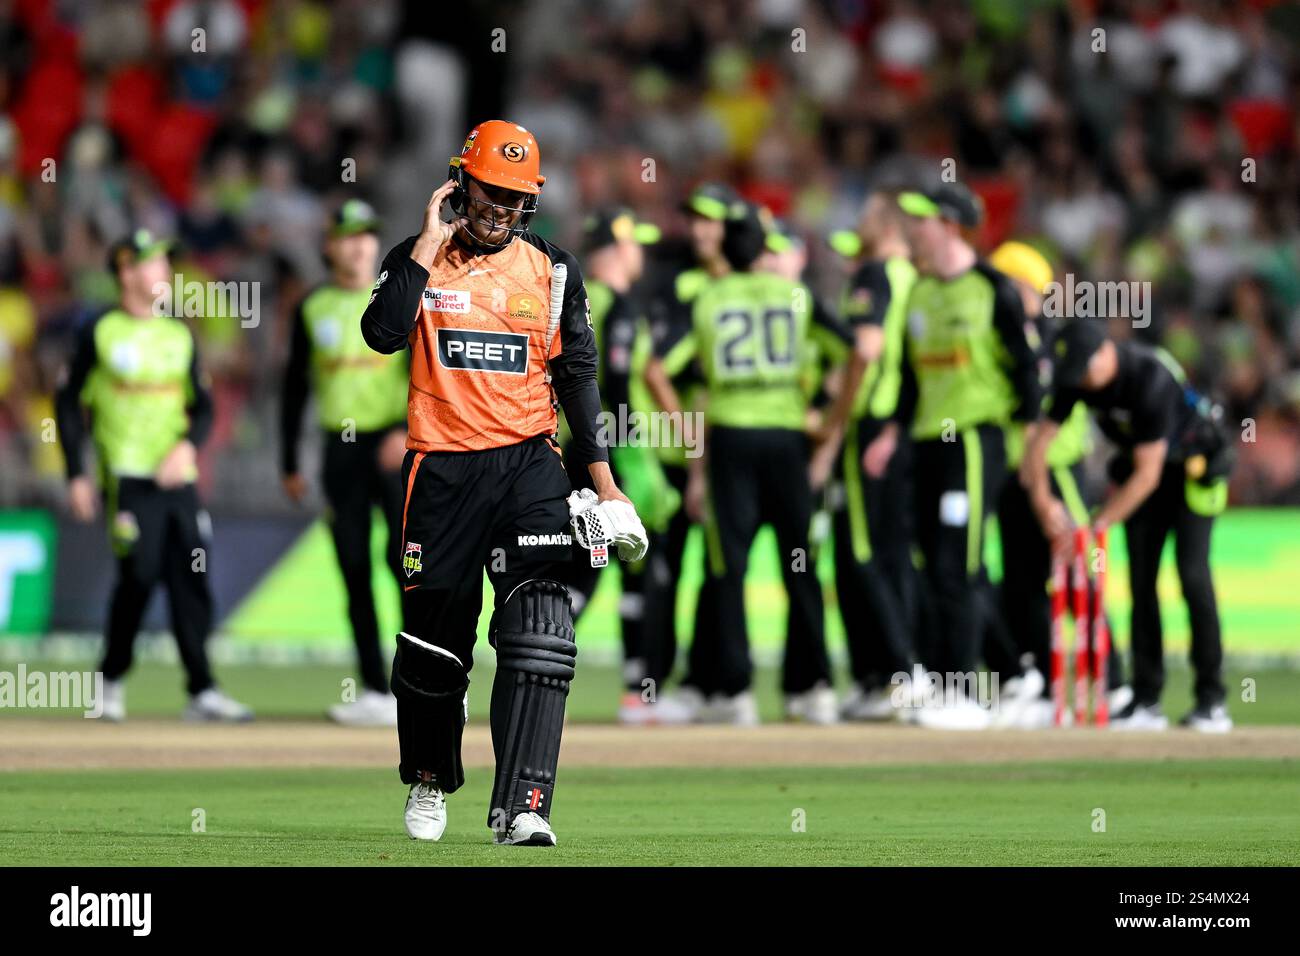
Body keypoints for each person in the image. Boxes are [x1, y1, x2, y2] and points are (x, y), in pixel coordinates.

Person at [360, 120, 647, 846]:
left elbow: (578, 379)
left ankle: (524, 804)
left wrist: (607, 487)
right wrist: (426, 245)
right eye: (491, 192)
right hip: (441, 472)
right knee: (434, 649)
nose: (501, 209)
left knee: (543, 631)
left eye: (517, 197)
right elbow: (382, 333)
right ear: (460, 183)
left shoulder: (553, 271)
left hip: (528, 464)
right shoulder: (419, 260)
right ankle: (429, 781)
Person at [647, 200, 853, 725]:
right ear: (763, 248)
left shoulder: (710, 298)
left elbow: (655, 366)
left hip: (731, 437)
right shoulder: (796, 295)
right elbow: (860, 352)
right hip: (787, 437)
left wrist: (688, 431)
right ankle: (813, 688)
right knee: (800, 564)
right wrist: (831, 419)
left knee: (728, 568)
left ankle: (735, 693)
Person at [55, 228, 252, 723]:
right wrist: (76, 474)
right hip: (126, 476)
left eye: (166, 263)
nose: (165, 272)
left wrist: (185, 446)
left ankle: (202, 689)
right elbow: (66, 401)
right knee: (139, 575)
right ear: (126, 271)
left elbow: (203, 408)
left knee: (191, 575)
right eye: (155, 264)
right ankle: (110, 682)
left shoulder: (178, 334)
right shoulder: (98, 329)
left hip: (177, 479)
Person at [1023, 320, 1234, 733]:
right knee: (1141, 583)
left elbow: (1148, 474)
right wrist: (1043, 501)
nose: (1081, 382)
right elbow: (1037, 446)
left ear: (1105, 352)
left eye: (1086, 370)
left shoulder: (1148, 377)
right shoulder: (1077, 379)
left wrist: (1096, 525)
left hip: (1195, 472)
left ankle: (1212, 700)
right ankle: (1146, 699)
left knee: (1192, 576)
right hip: (1144, 478)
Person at [889, 186, 1042, 729]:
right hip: (928, 445)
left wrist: (1029, 453)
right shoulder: (920, 294)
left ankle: (961, 692)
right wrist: (893, 434)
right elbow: (910, 379)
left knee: (958, 564)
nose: (911, 231)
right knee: (937, 567)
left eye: (921, 221)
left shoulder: (993, 290)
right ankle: (1009, 675)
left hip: (975, 443)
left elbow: (1027, 373)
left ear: (951, 226)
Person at [280, 200, 408, 726]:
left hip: (397, 447)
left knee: (405, 563)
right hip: (341, 451)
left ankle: (419, 684)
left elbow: (429, 373)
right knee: (353, 567)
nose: (359, 245)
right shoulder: (313, 308)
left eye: (367, 235)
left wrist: (406, 428)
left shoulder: (400, 298)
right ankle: (376, 690)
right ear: (330, 245)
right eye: (348, 236)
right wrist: (289, 461)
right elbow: (294, 388)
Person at [564, 206, 689, 724]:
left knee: (588, 570)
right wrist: (624, 466)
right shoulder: (615, 308)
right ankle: (640, 692)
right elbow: (611, 389)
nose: (641, 253)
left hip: (581, 451)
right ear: (618, 246)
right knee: (631, 571)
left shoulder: (580, 300)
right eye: (635, 243)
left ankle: (536, 662)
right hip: (607, 456)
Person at [815, 191, 923, 721]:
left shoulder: (877, 274)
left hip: (868, 425)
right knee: (890, 552)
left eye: (862, 214)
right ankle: (883, 676)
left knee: (860, 553)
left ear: (883, 224)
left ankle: (900, 673)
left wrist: (835, 423)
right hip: (901, 427)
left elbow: (866, 351)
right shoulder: (914, 277)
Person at [638, 182, 735, 718]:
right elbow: (657, 367)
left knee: (721, 573)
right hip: (682, 458)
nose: (700, 230)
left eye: (711, 220)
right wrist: (689, 436)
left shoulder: (737, 286)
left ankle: (710, 683)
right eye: (694, 219)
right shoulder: (682, 286)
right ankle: (658, 684)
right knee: (668, 572)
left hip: (728, 454)